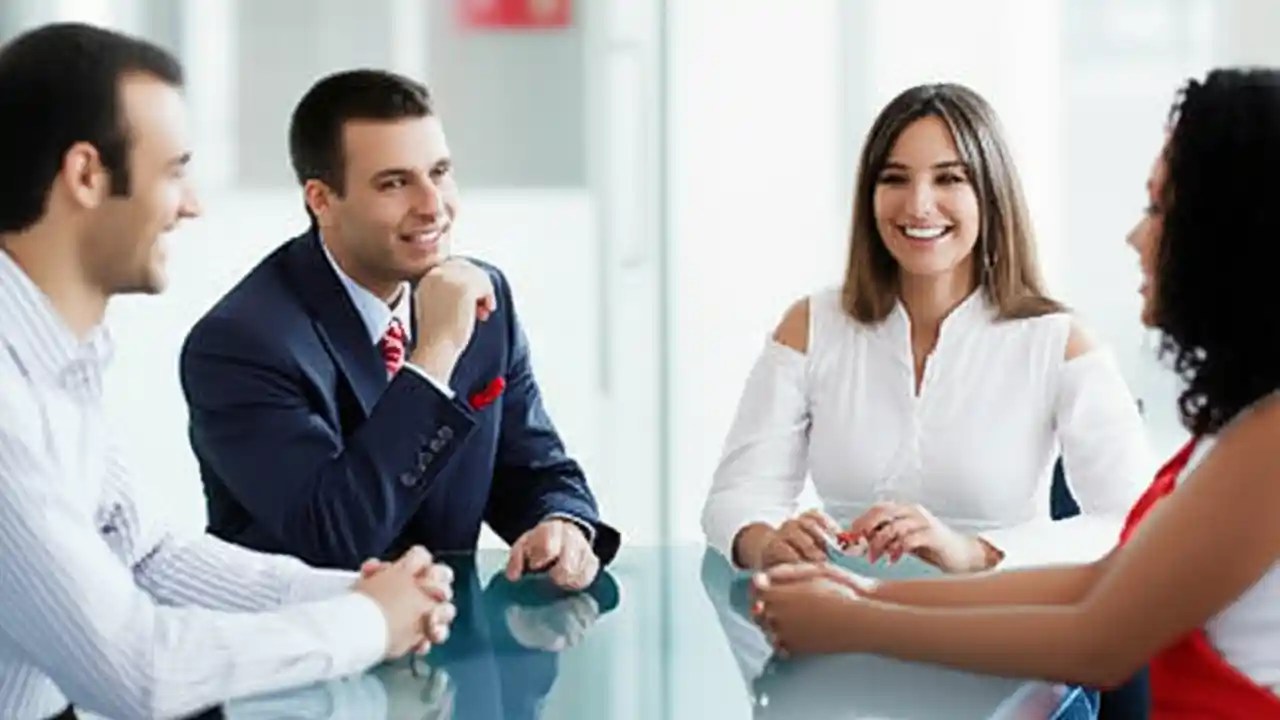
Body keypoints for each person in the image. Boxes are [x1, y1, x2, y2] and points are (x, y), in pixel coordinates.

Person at [752, 68, 1280, 715]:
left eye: (1159, 209)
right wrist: (860, 593)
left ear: (1232, 236)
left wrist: (857, 622)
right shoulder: (1247, 427)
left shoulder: (1271, 442)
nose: (1136, 236)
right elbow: (1098, 585)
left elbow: (1099, 644)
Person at [0, 23, 455, 720]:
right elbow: (136, 672)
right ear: (87, 176)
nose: (192, 204)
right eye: (173, 170)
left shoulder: (58, 357)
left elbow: (148, 553)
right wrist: (366, 624)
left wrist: (362, 595)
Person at [179, 70, 619, 589]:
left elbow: (532, 469)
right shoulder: (241, 344)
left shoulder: (480, 296)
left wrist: (560, 522)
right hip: (309, 649)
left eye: (440, 172)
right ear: (321, 199)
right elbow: (336, 537)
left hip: (452, 643)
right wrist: (434, 352)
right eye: (395, 183)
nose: (433, 205)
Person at [703, 82, 1151, 573]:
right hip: (841, 619)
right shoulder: (810, 326)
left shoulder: (1058, 341)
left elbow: (1132, 523)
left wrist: (975, 550)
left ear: (990, 194)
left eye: (949, 179)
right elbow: (735, 497)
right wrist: (767, 542)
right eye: (894, 179)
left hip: (994, 628)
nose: (918, 205)